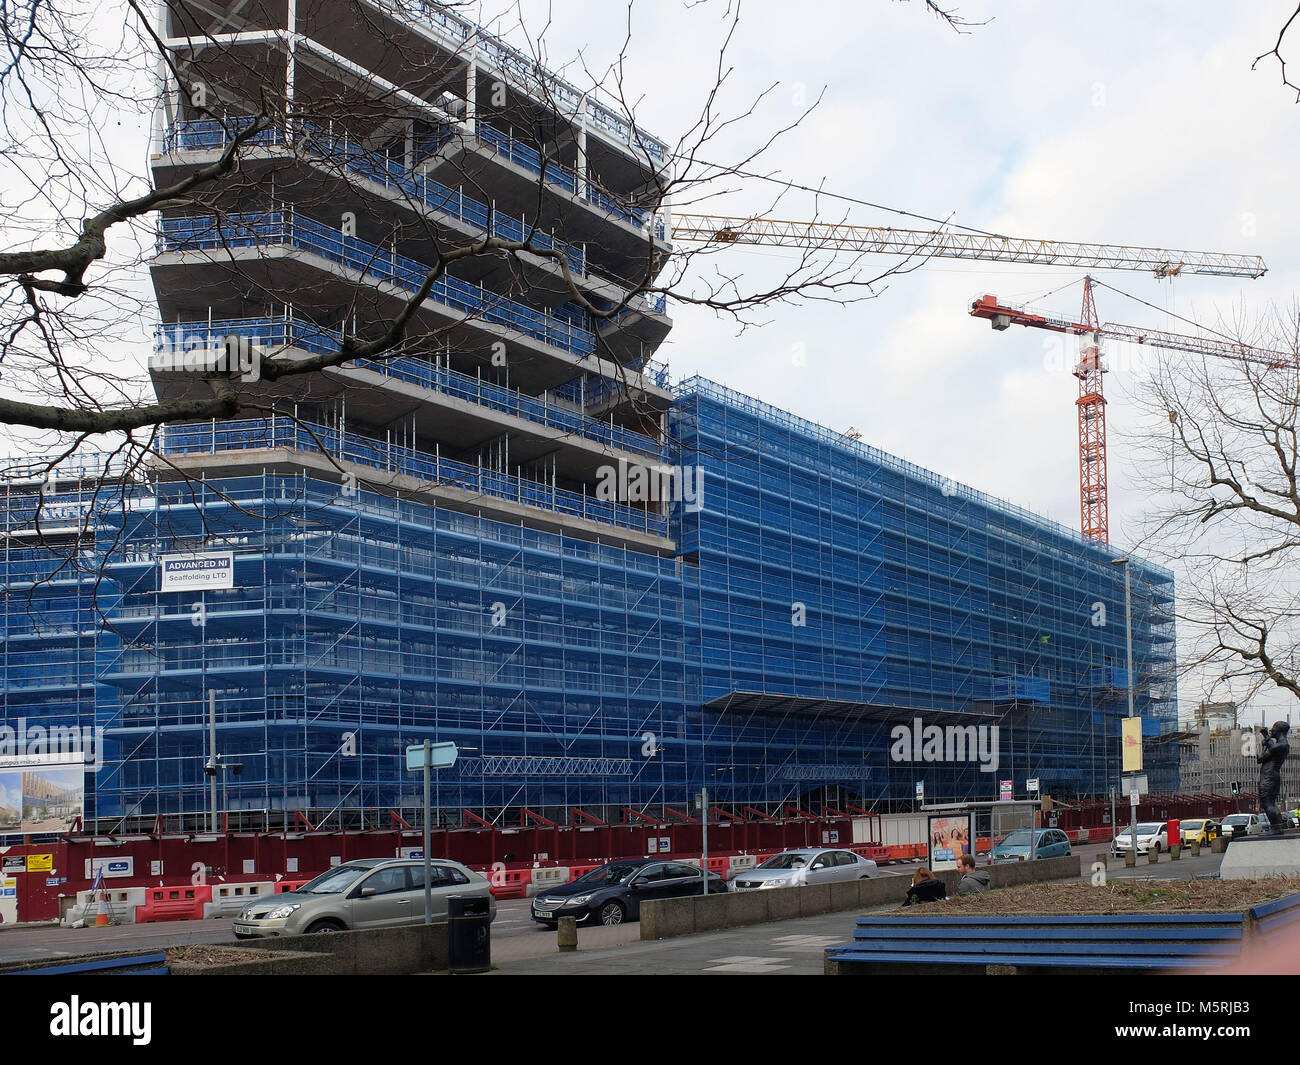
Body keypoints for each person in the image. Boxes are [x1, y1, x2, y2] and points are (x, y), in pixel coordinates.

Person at [1257, 721, 1290, 835]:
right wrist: (1266, 738)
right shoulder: (1281, 745)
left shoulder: (1281, 745)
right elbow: (1272, 748)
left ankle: (1276, 828)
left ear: (1279, 730)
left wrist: (1264, 744)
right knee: (1270, 802)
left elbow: (1260, 758)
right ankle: (1277, 826)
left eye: (1274, 728)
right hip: (1272, 776)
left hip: (1269, 776)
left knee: (1267, 802)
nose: (1272, 730)